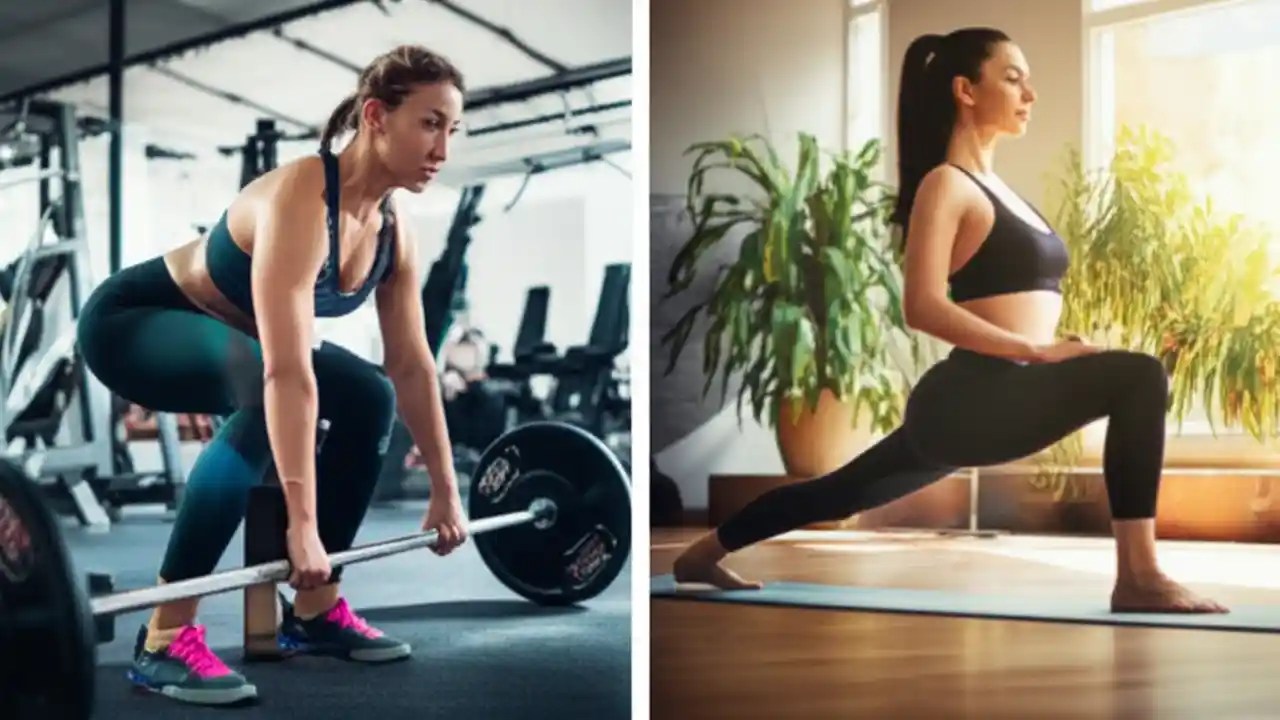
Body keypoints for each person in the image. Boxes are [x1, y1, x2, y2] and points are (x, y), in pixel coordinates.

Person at [671, 28, 1229, 616]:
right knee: (1140, 376)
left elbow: (1009, 296)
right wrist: (1034, 352)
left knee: (836, 492)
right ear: (965, 90)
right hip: (970, 397)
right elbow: (923, 306)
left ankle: (699, 557)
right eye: (1012, 77)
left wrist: (1048, 346)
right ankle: (1139, 577)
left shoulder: (1000, 189)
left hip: (1002, 389)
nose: (1029, 93)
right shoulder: (945, 184)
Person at [77, 45, 470, 707]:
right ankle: (164, 638)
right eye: (430, 124)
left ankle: (314, 610)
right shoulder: (301, 197)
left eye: (452, 130)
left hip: (234, 344)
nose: (443, 149)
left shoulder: (392, 230)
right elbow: (287, 373)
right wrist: (300, 524)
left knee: (369, 394)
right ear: (376, 116)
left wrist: (447, 490)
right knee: (262, 386)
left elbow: (410, 364)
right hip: (133, 324)